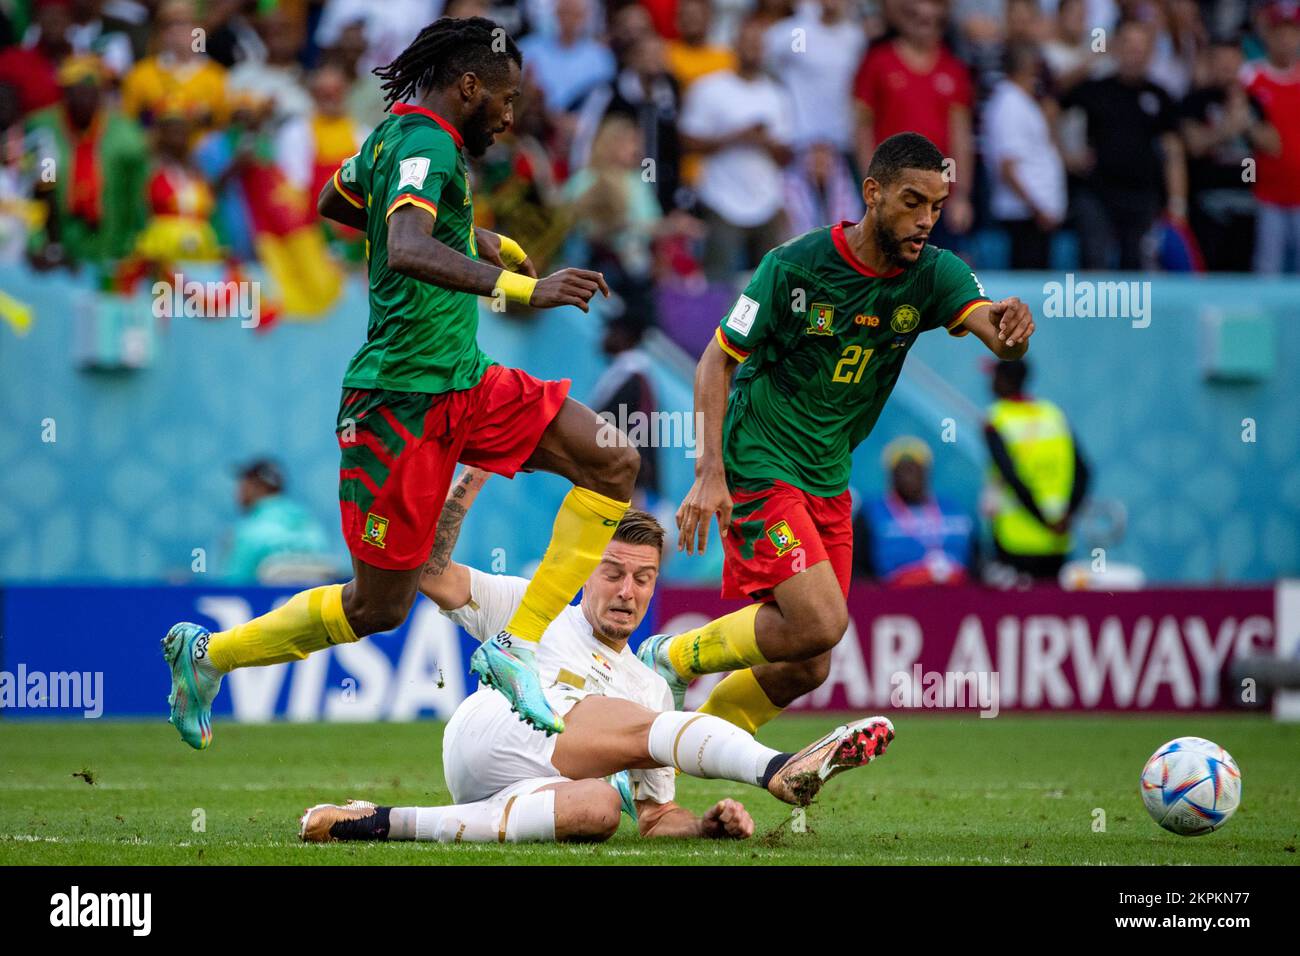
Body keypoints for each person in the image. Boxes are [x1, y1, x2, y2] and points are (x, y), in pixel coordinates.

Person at [162, 17, 638, 752]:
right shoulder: (424, 141)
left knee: (614, 460)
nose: (512, 118)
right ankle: (208, 655)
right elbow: (408, 246)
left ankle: (516, 645)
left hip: (465, 383)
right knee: (379, 606)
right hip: (398, 405)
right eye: (505, 100)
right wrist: (519, 286)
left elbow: (338, 203)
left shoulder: (391, 136)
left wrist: (458, 231)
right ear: (469, 86)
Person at [639, 132, 1035, 734]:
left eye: (936, 205)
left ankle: (681, 744)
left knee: (809, 663)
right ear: (871, 194)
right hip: (760, 463)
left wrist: (1014, 328)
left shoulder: (933, 274)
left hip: (828, 477)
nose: (926, 220)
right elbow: (715, 361)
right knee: (824, 622)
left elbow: (997, 335)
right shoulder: (792, 267)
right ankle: (672, 656)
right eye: (912, 202)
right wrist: (710, 472)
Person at [299, 468, 895, 845]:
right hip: (490, 735)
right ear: (586, 573)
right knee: (634, 722)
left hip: (525, 792)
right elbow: (431, 574)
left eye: (642, 578)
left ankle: (378, 821)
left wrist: (706, 826)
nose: (627, 591)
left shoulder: (649, 689)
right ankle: (776, 767)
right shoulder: (535, 605)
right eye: (612, 573)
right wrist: (467, 485)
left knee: (604, 809)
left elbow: (656, 816)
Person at [1060, 18, 1188, 270]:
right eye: (1128, 45)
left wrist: (1177, 203)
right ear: (1116, 47)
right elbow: (1051, 105)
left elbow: (1173, 150)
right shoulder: (1095, 89)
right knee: (1094, 263)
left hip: (1142, 197)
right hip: (1097, 194)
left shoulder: (1160, 96)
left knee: (1136, 267)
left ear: (1151, 52)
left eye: (1141, 47)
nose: (1135, 53)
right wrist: (1066, 156)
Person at [678, 15, 795, 281]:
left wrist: (764, 142)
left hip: (767, 201)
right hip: (721, 200)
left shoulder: (777, 94)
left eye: (757, 44)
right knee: (718, 280)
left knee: (769, 282)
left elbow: (786, 155)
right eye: (747, 43)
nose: (752, 49)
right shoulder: (709, 88)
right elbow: (687, 142)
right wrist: (735, 137)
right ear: (734, 45)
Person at [983, 359, 1090, 582]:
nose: (989, 384)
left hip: (1015, 539)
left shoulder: (996, 418)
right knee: (1052, 606)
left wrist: (1043, 520)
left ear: (1004, 381)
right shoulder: (1053, 414)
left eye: (993, 378)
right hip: (1057, 539)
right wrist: (1066, 516)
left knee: (1018, 612)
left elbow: (1011, 477)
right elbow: (1084, 472)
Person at [982, 42, 1066, 269]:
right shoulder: (1009, 105)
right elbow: (1007, 167)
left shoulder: (1023, 102)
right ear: (1027, 67)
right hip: (1025, 215)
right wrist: (1038, 208)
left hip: (1034, 215)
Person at [852, 436, 977, 586]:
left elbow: (976, 560)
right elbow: (858, 568)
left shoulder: (953, 509)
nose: (908, 476)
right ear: (891, 474)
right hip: (897, 597)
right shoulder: (871, 512)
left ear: (926, 472)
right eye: (902, 469)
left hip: (955, 591)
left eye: (914, 468)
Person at [1242, 1, 1300, 274]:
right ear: (1268, 35)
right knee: (1268, 270)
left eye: (1292, 33)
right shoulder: (1251, 77)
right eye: (1280, 33)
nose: (1286, 40)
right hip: (1268, 195)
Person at [224, 459, 332, 584]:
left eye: (244, 483)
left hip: (261, 603)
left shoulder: (248, 533)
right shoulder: (312, 528)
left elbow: (232, 589)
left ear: (257, 487)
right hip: (310, 603)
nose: (238, 490)